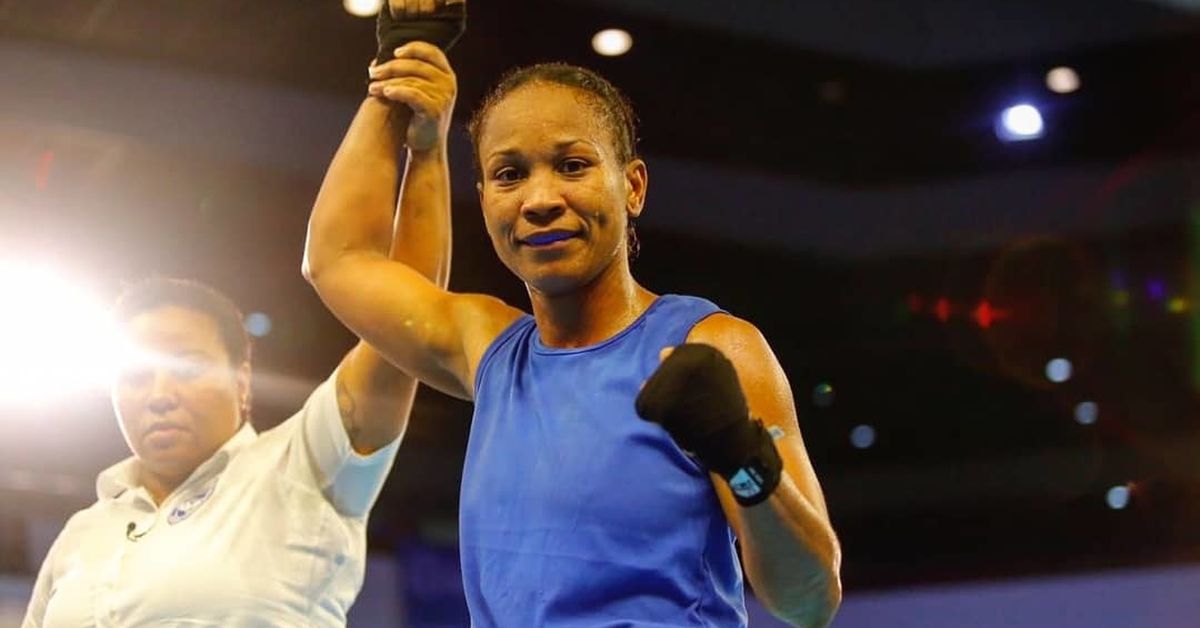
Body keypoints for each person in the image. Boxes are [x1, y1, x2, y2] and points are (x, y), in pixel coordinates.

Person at [305, 1, 842, 625]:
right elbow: (338, 260)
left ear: (632, 186)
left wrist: (741, 455)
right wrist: (395, 89)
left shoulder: (711, 346)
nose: (540, 199)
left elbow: (811, 601)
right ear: (483, 201)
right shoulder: (489, 350)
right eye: (510, 174)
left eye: (573, 165)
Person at [20, 71, 452, 626]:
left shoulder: (302, 468)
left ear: (241, 378)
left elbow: (406, 315)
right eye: (134, 376)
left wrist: (425, 147)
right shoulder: (82, 534)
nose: (158, 395)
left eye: (186, 367)